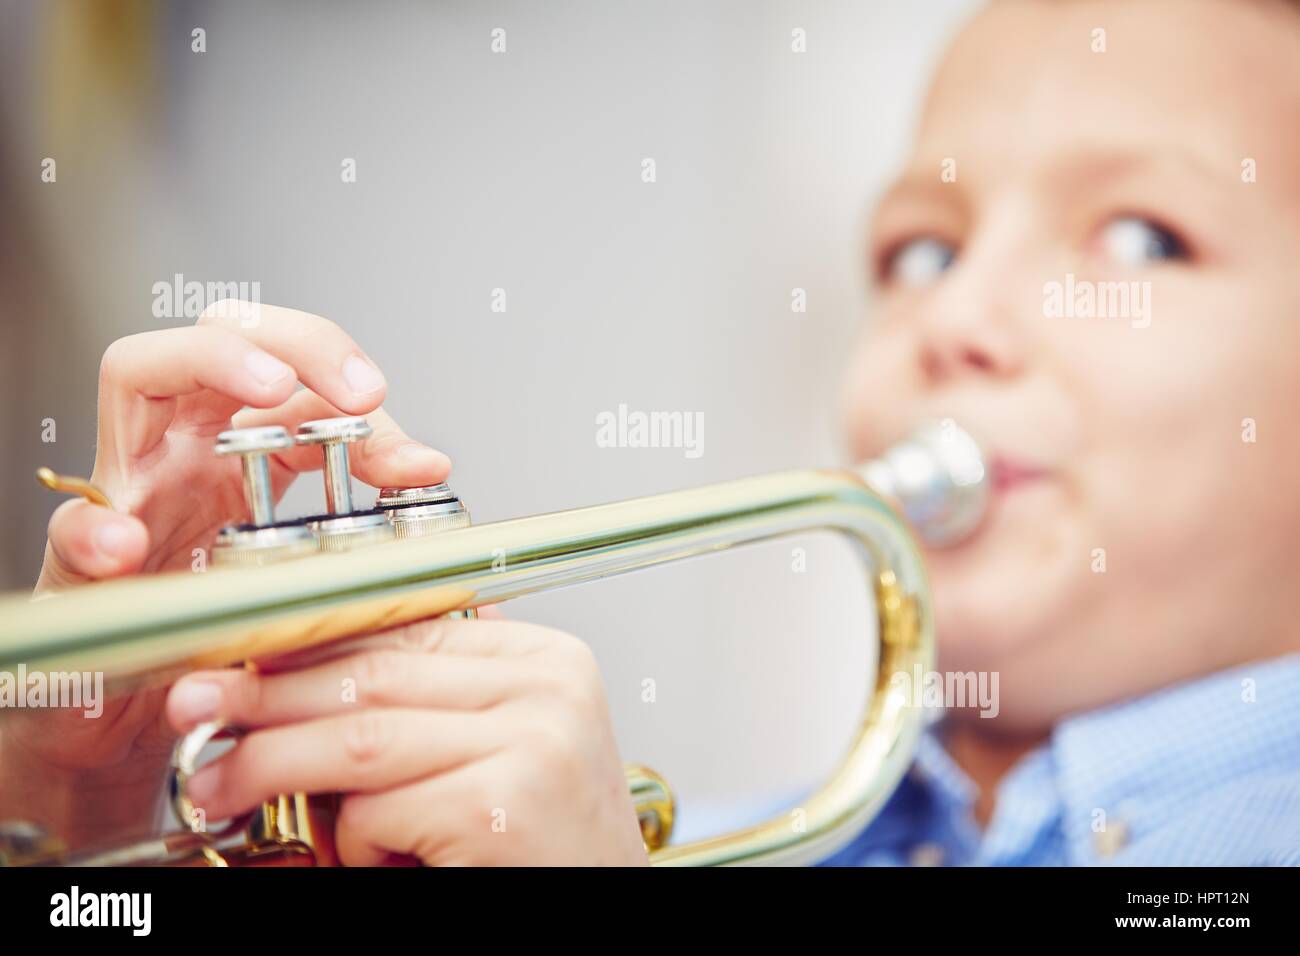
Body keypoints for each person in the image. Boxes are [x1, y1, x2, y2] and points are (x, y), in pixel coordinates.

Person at [3, 0, 1299, 865]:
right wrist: (89, 822)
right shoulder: (698, 835)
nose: (957, 311)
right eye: (919, 248)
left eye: (1140, 239)